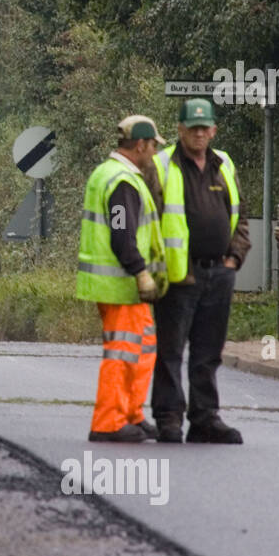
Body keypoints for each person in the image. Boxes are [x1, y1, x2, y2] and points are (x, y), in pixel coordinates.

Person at [151, 98, 252, 444]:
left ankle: (205, 418)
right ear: (179, 130)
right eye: (191, 128)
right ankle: (168, 419)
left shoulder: (223, 164)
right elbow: (147, 221)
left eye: (203, 127)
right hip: (179, 276)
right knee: (171, 351)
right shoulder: (162, 165)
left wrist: (234, 259)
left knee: (209, 352)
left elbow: (240, 213)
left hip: (218, 273)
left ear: (213, 130)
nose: (198, 133)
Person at [76, 116, 169, 442]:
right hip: (120, 284)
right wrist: (141, 274)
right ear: (140, 145)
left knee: (142, 350)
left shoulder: (110, 174)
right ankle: (108, 422)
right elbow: (122, 236)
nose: (155, 152)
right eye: (154, 145)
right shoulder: (123, 181)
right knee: (123, 352)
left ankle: (131, 413)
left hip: (123, 286)